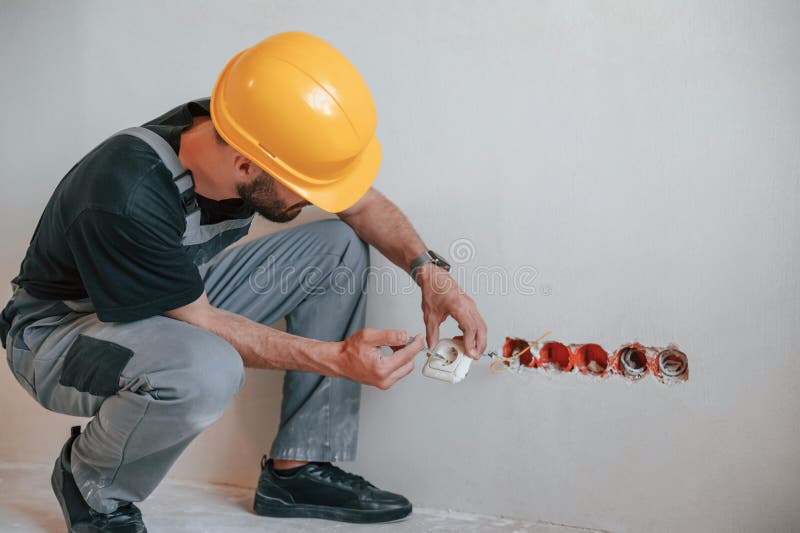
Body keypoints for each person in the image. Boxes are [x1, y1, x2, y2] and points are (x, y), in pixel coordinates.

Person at [1, 32, 487, 532]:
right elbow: (201, 323)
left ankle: (297, 469)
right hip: (57, 337)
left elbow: (358, 203)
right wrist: (338, 359)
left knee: (336, 246)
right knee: (206, 369)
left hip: (170, 298)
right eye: (305, 189)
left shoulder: (244, 126)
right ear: (246, 165)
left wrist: (430, 273)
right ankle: (92, 486)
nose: (314, 198)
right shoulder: (125, 194)